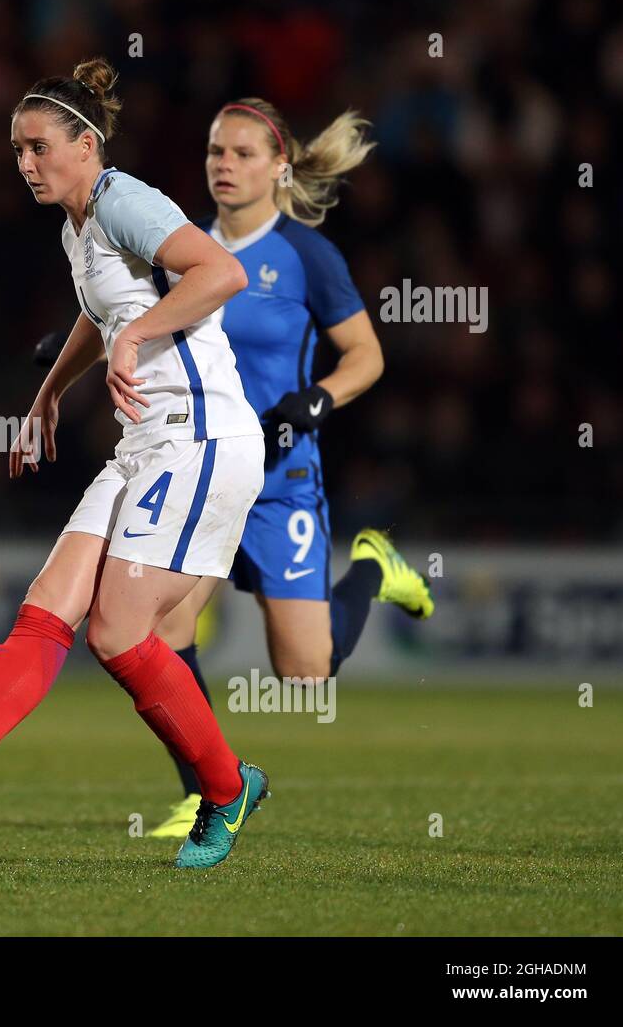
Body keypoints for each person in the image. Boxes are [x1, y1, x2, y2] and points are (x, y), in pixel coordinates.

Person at [0, 59, 270, 868]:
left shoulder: (123, 199)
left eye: (39, 147)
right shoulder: (79, 225)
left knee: (116, 632)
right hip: (147, 442)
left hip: (201, 436)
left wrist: (139, 337)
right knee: (48, 607)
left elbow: (224, 272)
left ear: (87, 145)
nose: (26, 164)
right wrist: (49, 394)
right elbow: (99, 314)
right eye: (16, 151)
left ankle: (226, 788)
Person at [143, 99, 434, 838]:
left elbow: (367, 355)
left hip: (279, 478)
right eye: (216, 151)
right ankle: (211, 790)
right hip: (204, 469)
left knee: (306, 675)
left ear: (279, 166)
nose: (224, 166)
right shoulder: (181, 249)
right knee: (161, 626)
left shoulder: (306, 255)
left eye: (243, 154)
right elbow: (141, 327)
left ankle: (372, 565)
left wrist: (318, 399)